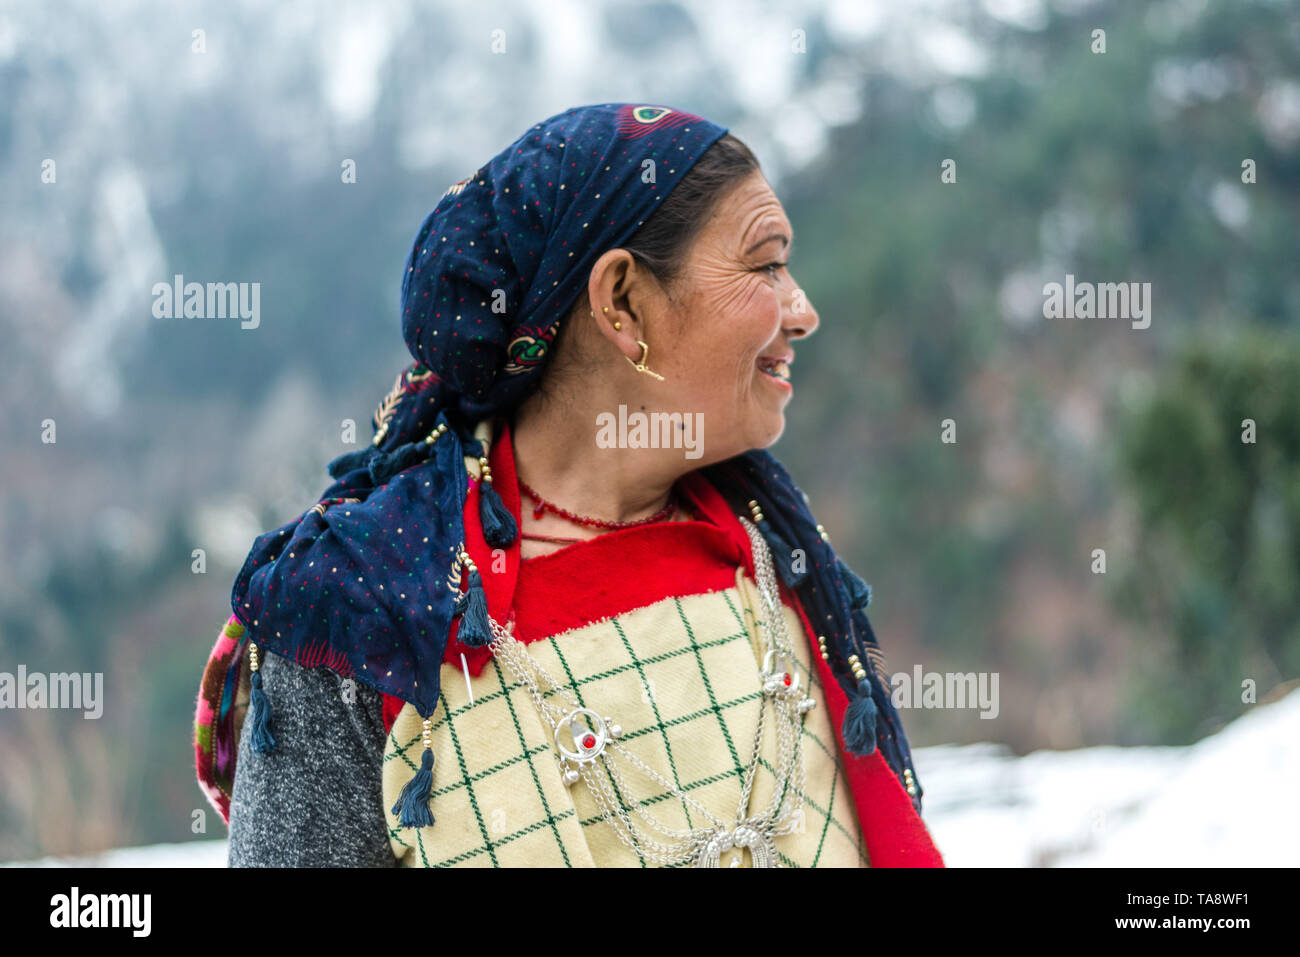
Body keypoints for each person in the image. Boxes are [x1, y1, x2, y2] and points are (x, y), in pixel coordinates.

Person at [194, 102, 944, 868]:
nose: (804, 310)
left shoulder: (775, 551)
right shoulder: (368, 606)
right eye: (765, 264)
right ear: (621, 301)